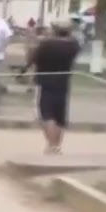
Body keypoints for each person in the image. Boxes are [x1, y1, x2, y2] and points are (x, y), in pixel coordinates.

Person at [23, 23, 81, 154]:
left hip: (45, 82)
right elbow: (75, 44)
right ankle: (57, 146)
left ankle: (51, 145)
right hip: (63, 82)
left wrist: (32, 42)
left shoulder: (45, 45)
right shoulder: (73, 46)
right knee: (59, 116)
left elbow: (31, 59)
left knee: (46, 115)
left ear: (55, 31)